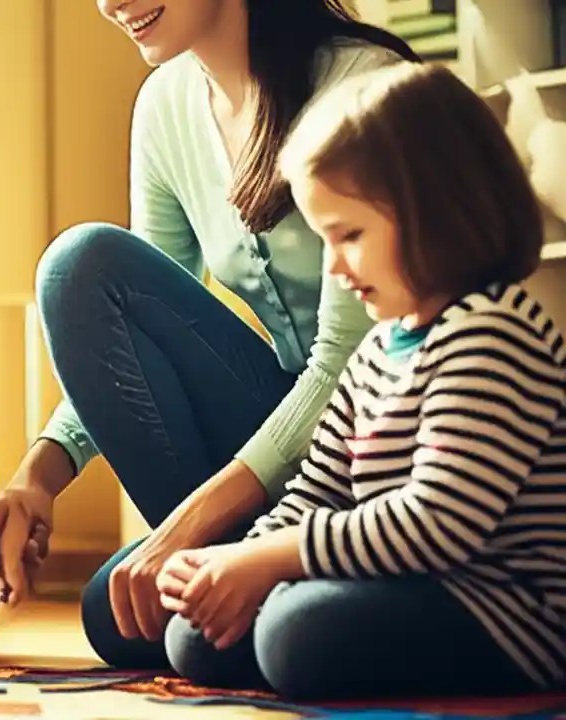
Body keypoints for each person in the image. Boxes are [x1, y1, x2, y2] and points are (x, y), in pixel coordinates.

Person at [0, 0, 418, 667]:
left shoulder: (361, 89)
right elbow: (128, 317)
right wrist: (38, 474)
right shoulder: (165, 106)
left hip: (388, 446)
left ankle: (274, 594)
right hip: (288, 446)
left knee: (166, 622)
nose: (111, 5)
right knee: (109, 612)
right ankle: (252, 590)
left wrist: (186, 530)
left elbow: (346, 364)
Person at [158, 61, 564, 699]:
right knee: (194, 634)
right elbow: (316, 491)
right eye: (325, 241)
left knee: (297, 636)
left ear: (437, 209)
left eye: (348, 236)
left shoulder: (491, 334)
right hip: (404, 583)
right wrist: (234, 562)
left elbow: (438, 522)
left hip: (504, 610)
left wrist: (267, 563)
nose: (335, 269)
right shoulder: (378, 349)